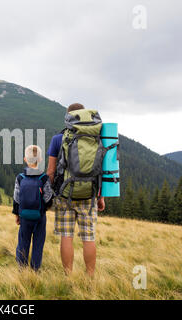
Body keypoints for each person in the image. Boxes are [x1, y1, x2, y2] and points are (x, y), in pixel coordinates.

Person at [47, 103, 105, 277]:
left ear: (68, 117)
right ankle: (90, 278)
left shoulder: (59, 138)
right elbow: (102, 169)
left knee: (66, 236)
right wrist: (101, 197)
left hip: (65, 194)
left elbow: (50, 171)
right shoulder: (96, 136)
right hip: (90, 194)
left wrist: (50, 193)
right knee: (89, 237)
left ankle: (68, 277)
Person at [12, 145, 53, 271]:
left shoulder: (20, 178)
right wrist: (44, 209)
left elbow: (16, 198)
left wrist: (17, 215)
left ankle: (21, 268)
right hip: (40, 217)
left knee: (23, 242)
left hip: (24, 216)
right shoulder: (44, 178)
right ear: (40, 159)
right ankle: (35, 270)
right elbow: (48, 198)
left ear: (25, 159)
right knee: (38, 244)